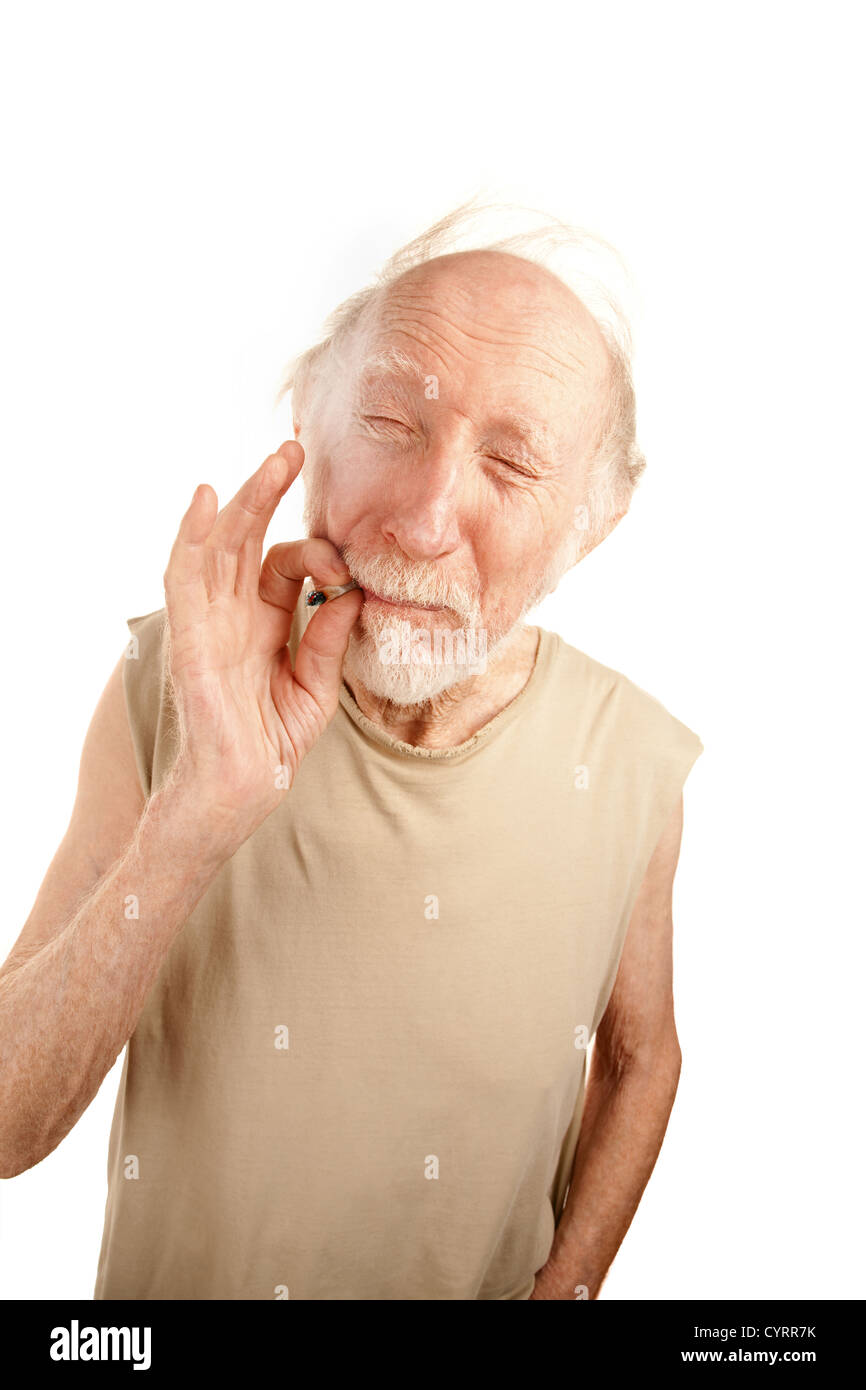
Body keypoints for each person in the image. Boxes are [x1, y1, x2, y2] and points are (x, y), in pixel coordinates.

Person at [0, 205, 702, 1300]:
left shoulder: (630, 761)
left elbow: (637, 1058)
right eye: (387, 421)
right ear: (305, 428)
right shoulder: (165, 682)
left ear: (592, 520)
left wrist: (566, 1286)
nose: (424, 522)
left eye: (511, 464)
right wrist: (203, 802)